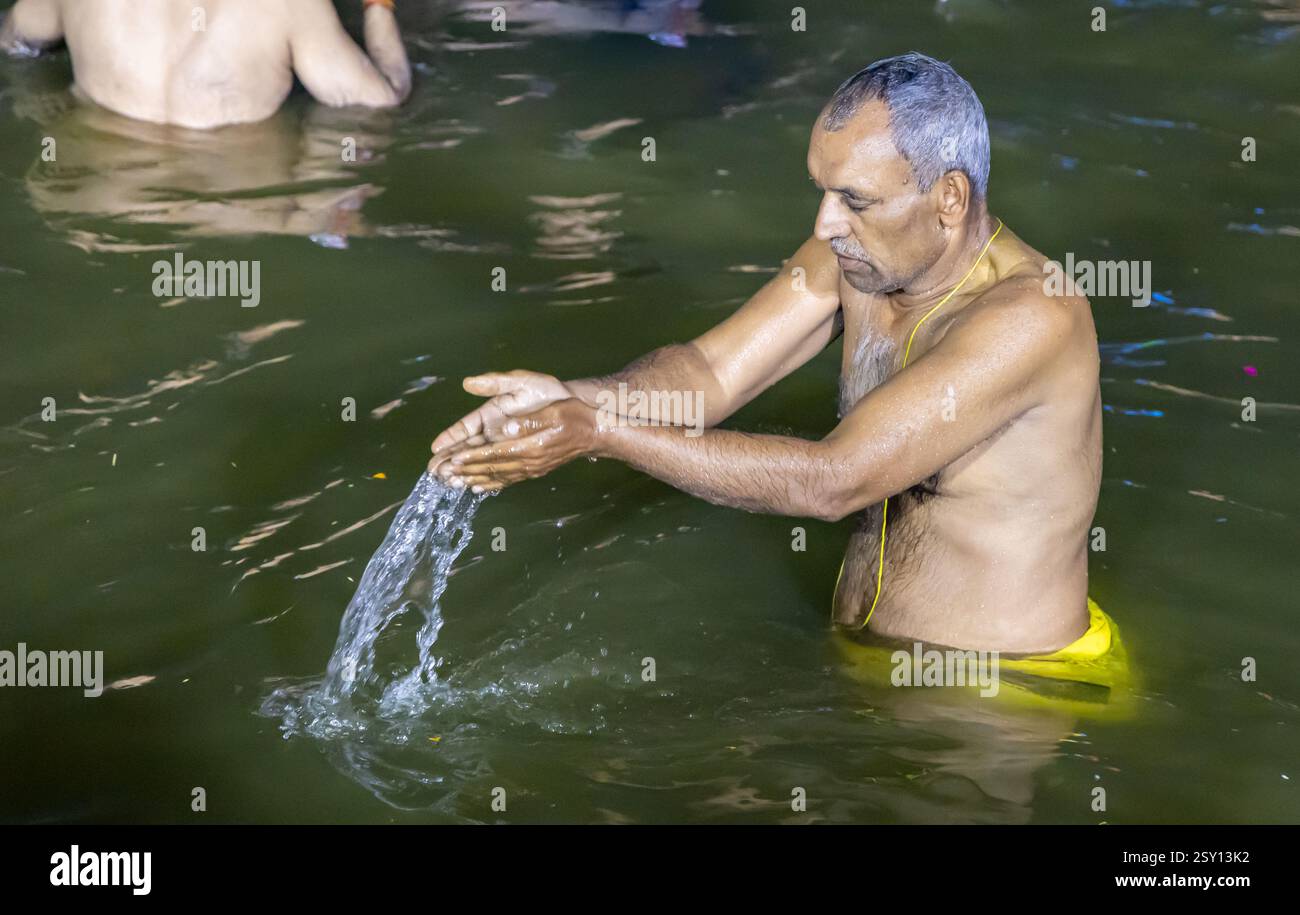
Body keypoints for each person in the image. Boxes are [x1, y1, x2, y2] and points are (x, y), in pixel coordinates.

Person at [429, 52, 1106, 657]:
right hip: (868, 659)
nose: (824, 224)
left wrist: (600, 434)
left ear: (949, 198)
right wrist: (565, 403)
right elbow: (709, 372)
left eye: (855, 199)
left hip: (1005, 695)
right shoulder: (858, 255)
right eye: (822, 190)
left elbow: (834, 480)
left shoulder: (1032, 316)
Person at [0, 0, 410, 129]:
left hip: (99, 213)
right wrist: (379, 6)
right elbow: (379, 101)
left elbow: (15, 42)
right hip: (231, 222)